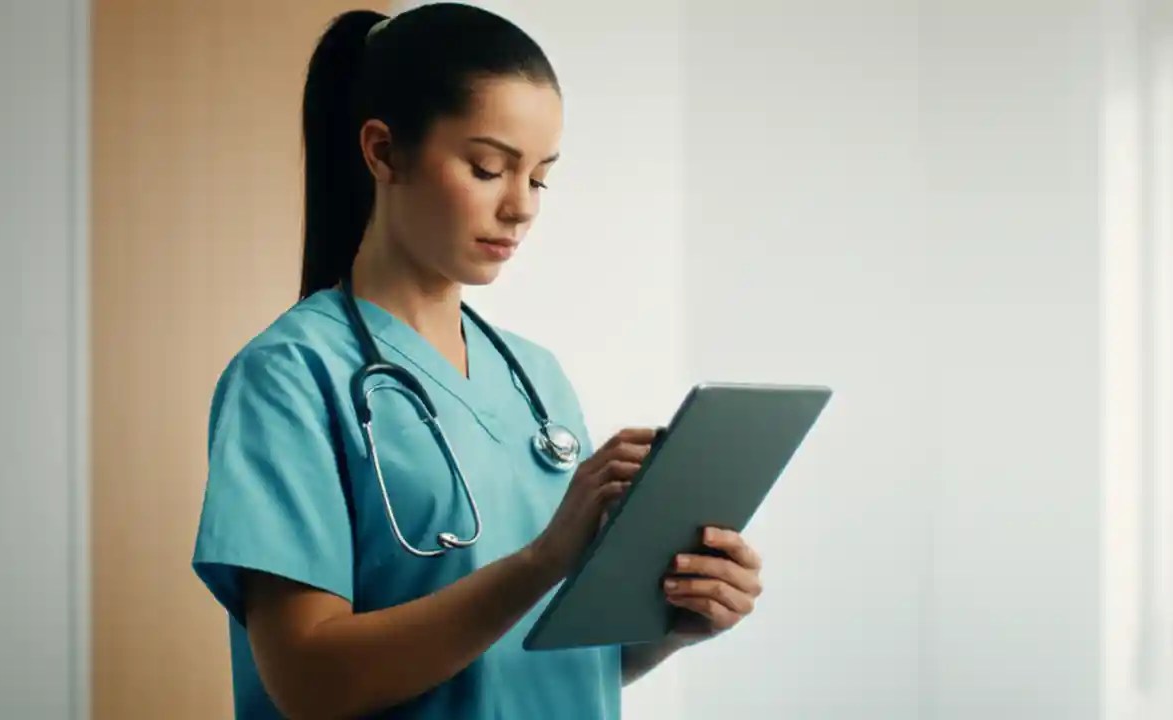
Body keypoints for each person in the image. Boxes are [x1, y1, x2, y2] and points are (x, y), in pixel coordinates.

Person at [191, 4, 765, 718]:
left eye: (540, 178)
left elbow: (538, 667)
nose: (521, 207)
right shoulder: (289, 378)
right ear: (383, 152)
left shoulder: (536, 380)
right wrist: (541, 561)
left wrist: (674, 627)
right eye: (488, 167)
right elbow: (310, 681)